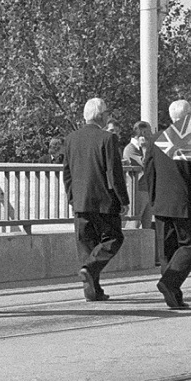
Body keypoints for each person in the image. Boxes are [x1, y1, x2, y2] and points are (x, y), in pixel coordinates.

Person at [139, 99, 191, 310]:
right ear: (188, 116)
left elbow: (148, 170)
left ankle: (173, 294)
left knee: (167, 252)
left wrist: (153, 199)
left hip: (161, 203)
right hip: (184, 203)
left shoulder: (156, 139)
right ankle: (170, 284)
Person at [63, 97, 129, 302]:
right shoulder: (108, 138)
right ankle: (89, 270)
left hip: (81, 201)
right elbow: (114, 172)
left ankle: (92, 289)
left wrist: (72, 197)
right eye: (107, 113)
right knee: (113, 239)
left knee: (87, 245)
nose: (108, 116)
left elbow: (66, 172)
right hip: (104, 201)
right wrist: (123, 199)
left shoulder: (71, 138)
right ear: (101, 116)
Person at [122, 121, 154, 229]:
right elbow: (146, 163)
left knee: (147, 225)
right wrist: (145, 147)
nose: (151, 134)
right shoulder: (130, 149)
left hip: (147, 189)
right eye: (149, 131)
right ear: (142, 133)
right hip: (137, 190)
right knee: (134, 223)